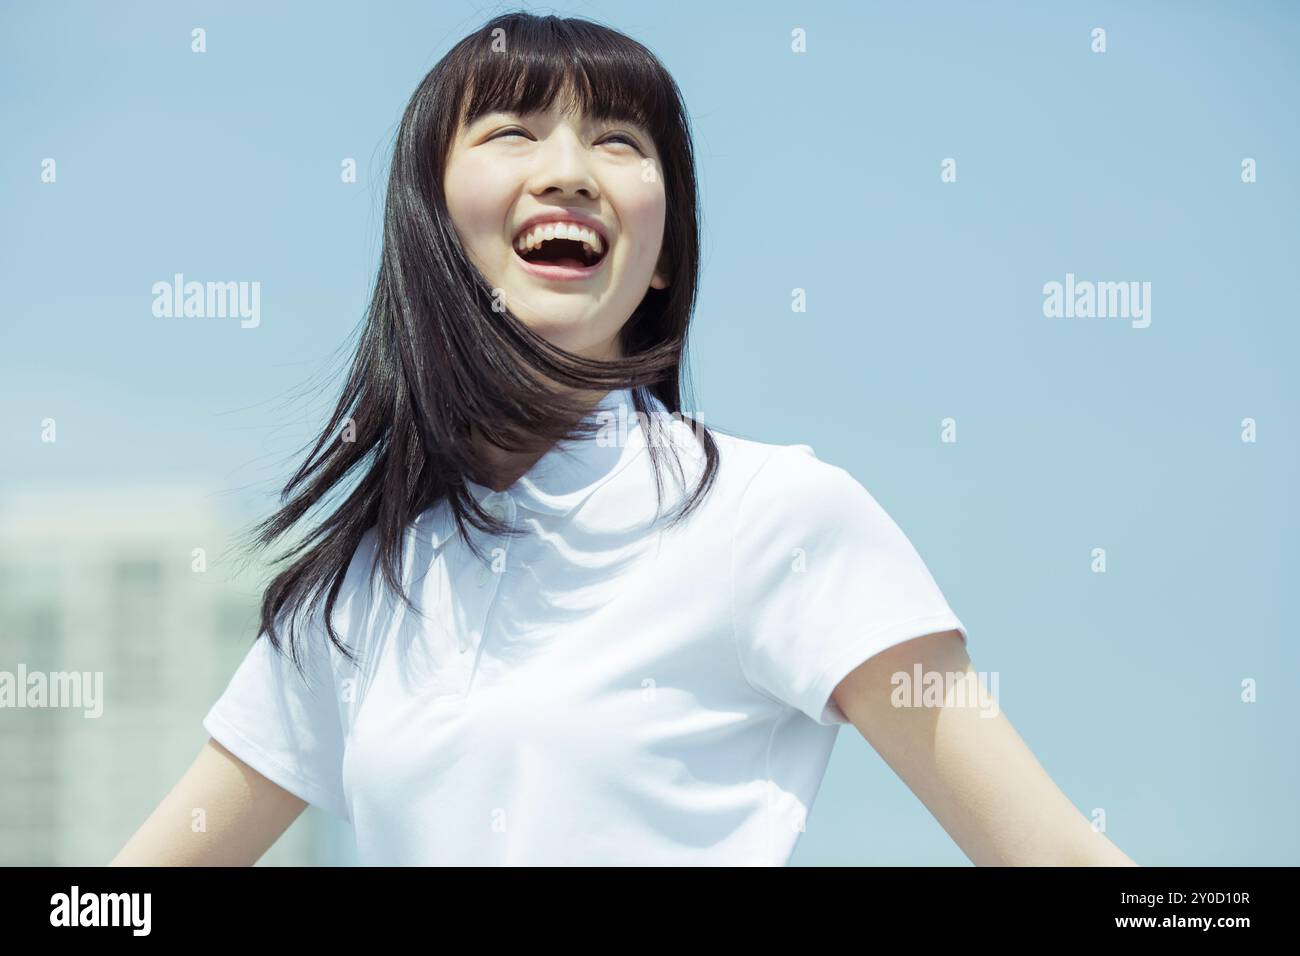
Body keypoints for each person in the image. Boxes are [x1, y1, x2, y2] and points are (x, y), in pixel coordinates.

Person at [112, 10, 1136, 867]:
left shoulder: (770, 513)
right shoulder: (357, 590)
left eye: (618, 141)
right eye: (512, 130)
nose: (570, 170)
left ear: (658, 259)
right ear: (428, 219)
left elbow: (1054, 854)